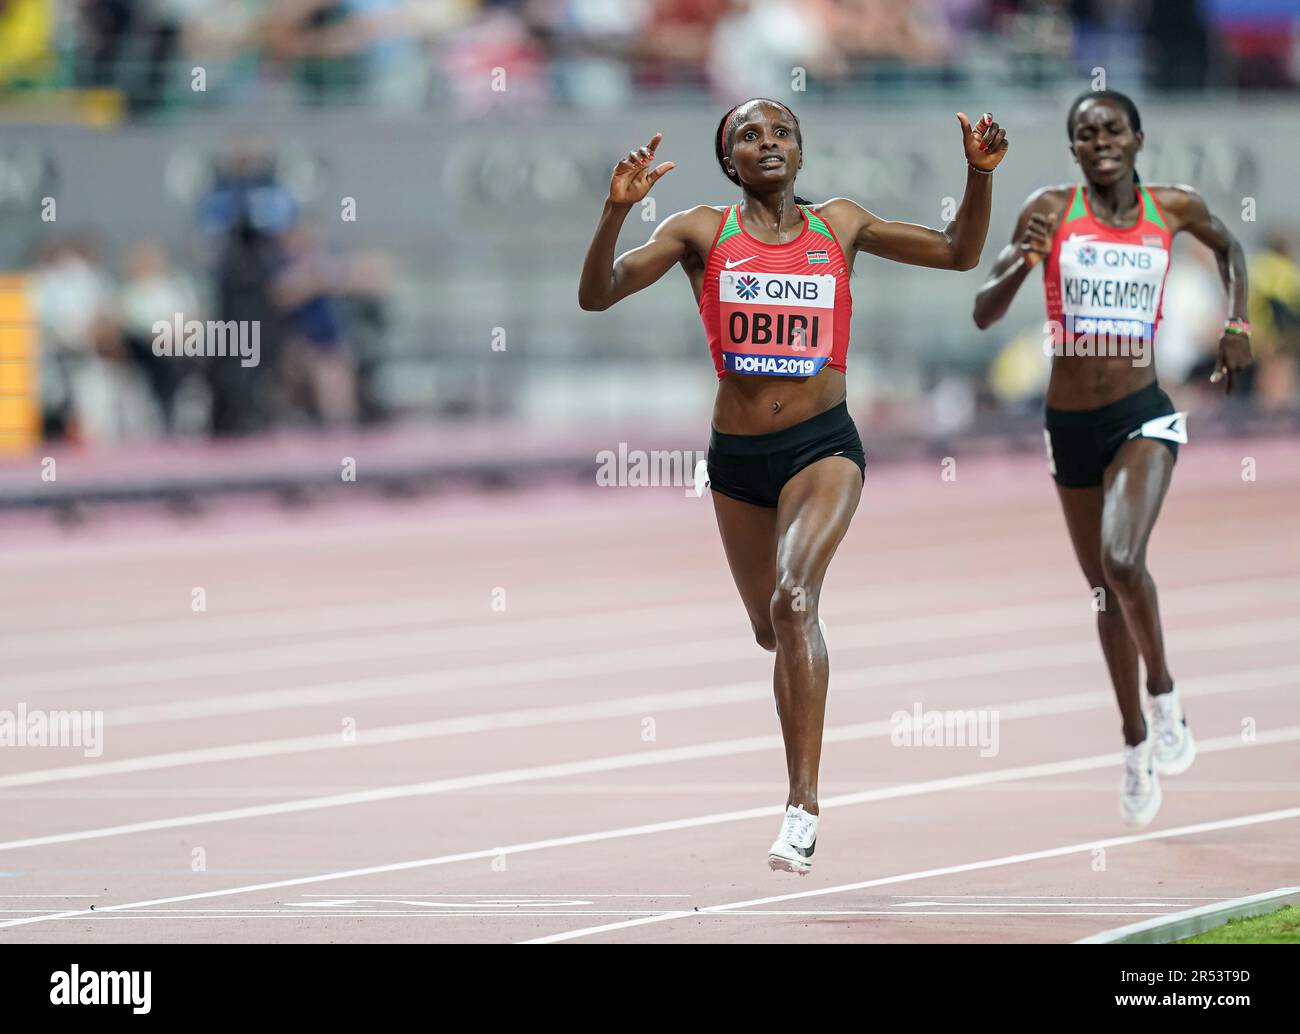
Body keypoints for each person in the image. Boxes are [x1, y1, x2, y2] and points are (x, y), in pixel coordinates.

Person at [580, 97, 1007, 872]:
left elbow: (958, 252)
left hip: (824, 446)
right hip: (739, 463)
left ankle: (801, 808)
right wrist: (615, 213)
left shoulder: (838, 224)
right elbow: (598, 292)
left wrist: (977, 176)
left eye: (782, 132)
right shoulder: (699, 232)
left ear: (801, 156)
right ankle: (800, 707)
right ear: (729, 161)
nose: (767, 141)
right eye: (749, 134)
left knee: (794, 599)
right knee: (770, 629)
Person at [972, 89, 1253, 827]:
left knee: (1123, 560)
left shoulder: (1174, 207)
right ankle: (1133, 740)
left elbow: (1231, 246)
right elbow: (984, 309)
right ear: (1073, 149)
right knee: (1102, 589)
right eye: (1085, 132)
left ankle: (1164, 694)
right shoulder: (1050, 208)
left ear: (1137, 138)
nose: (1100, 139)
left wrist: (1239, 322)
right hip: (1067, 424)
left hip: (1142, 413)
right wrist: (1020, 260)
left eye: (1113, 128)